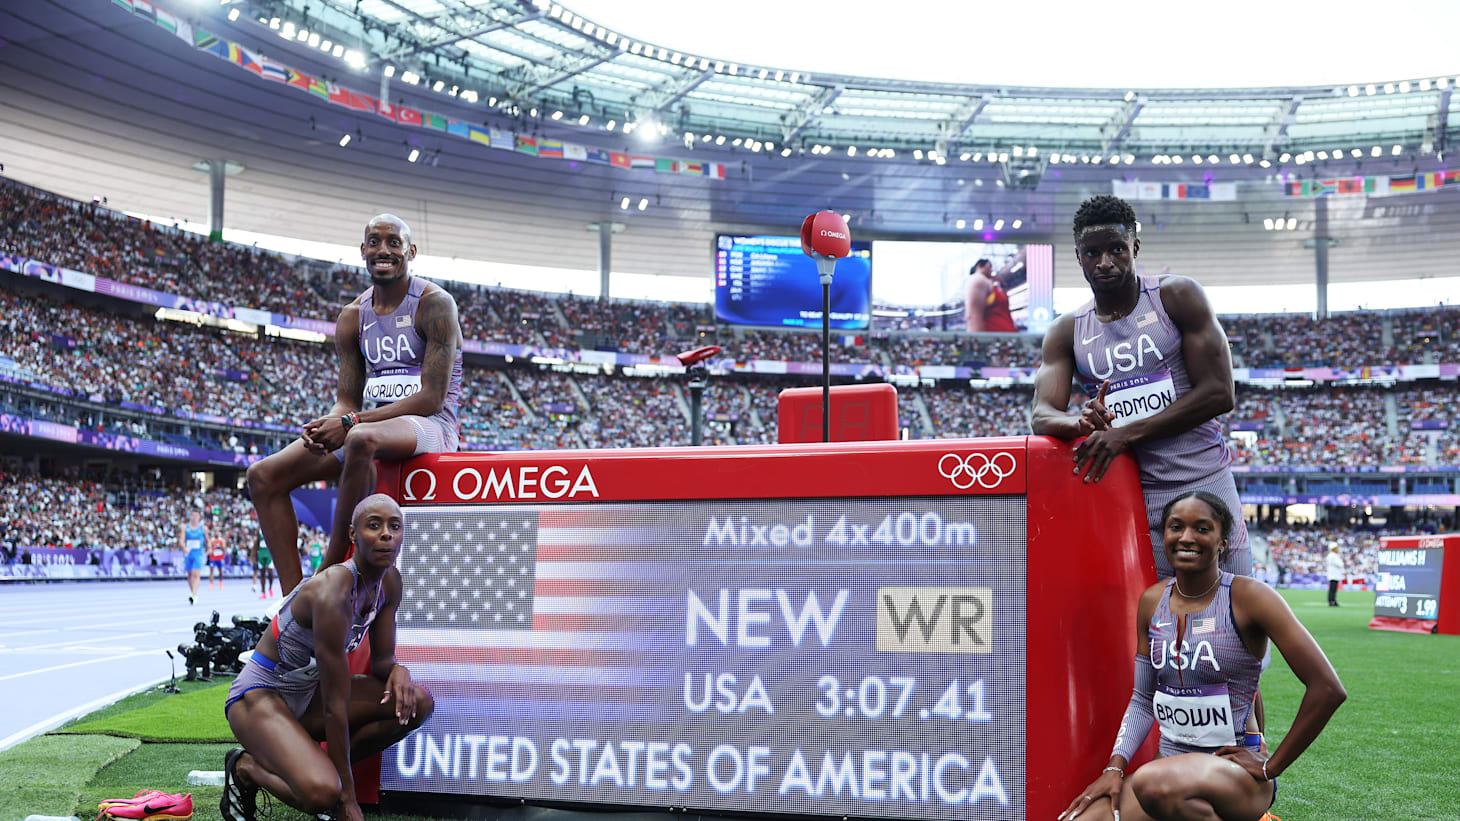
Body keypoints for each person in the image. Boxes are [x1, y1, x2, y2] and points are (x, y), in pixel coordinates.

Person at [1058, 491, 1346, 821]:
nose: (1187, 537)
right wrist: (1115, 767)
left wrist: (1270, 766)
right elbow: (1142, 699)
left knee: (1155, 782)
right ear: (1164, 534)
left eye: (1202, 528)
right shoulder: (1152, 602)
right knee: (1079, 819)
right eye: (1176, 527)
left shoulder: (1250, 597)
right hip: (1168, 771)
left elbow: (1328, 688)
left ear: (1223, 541)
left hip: (1234, 776)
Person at [1030, 194, 1249, 581]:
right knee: (1155, 626)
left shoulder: (1176, 297)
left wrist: (1125, 434)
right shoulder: (1067, 330)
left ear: (1135, 246)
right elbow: (1042, 415)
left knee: (1232, 611)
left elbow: (1220, 392)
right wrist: (1080, 423)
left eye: (1116, 249)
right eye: (1092, 253)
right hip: (1132, 495)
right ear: (1078, 256)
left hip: (1203, 479)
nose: (1105, 262)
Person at [246, 214, 464, 595]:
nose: (384, 250)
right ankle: (295, 601)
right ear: (362, 251)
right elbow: (346, 398)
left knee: (361, 439)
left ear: (411, 252)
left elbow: (432, 397)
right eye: (375, 242)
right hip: (369, 424)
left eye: (394, 243)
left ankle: (330, 569)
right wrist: (326, 426)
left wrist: (348, 424)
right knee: (263, 475)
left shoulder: (434, 304)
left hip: (430, 426)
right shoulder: (352, 316)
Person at [221, 494, 433, 821]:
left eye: (394, 526)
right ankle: (246, 767)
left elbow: (380, 663)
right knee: (323, 794)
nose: (386, 535)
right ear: (353, 535)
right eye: (373, 526)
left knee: (416, 702)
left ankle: (321, 770)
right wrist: (347, 801)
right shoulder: (334, 591)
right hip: (261, 696)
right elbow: (335, 705)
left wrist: (397, 669)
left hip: (307, 696)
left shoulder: (390, 582)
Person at [964, 258, 1018, 333]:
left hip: (1004, 337)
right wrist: (980, 341)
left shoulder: (989, 283)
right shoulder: (978, 279)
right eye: (989, 266)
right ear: (980, 266)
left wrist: (1002, 285)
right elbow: (973, 317)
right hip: (995, 338)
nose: (991, 270)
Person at [179, 510, 208, 605]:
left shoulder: (203, 528)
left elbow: (208, 540)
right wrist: (184, 548)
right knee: (190, 575)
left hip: (198, 553)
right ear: (190, 516)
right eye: (193, 515)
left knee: (196, 574)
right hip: (188, 553)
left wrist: (210, 548)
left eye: (196, 515)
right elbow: (181, 540)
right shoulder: (185, 527)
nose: (194, 517)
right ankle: (193, 593)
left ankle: (194, 594)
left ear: (199, 517)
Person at [254, 532, 275, 600]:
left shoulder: (270, 528)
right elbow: (256, 544)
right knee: (262, 574)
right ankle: (263, 592)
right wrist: (255, 555)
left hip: (269, 553)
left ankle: (270, 588)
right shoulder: (259, 531)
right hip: (261, 553)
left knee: (270, 573)